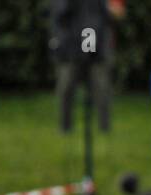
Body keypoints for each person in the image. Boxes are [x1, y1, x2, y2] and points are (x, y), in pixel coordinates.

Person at [50, 0, 122, 134]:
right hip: (69, 45)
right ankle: (65, 127)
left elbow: (112, 12)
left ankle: (104, 127)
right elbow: (60, 13)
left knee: (102, 87)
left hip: (97, 42)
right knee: (66, 87)